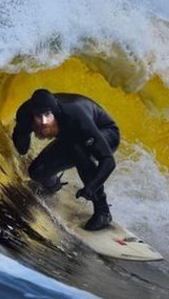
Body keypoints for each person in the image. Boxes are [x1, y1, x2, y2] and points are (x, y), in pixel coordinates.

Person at [11, 89, 120, 231]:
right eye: (39, 116)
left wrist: (92, 187)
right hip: (71, 137)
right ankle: (53, 185)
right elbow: (22, 147)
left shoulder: (74, 117)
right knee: (36, 172)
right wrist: (23, 131)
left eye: (47, 115)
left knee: (78, 150)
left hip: (105, 133)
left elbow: (108, 160)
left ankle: (103, 211)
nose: (44, 122)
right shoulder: (25, 114)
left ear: (55, 113)